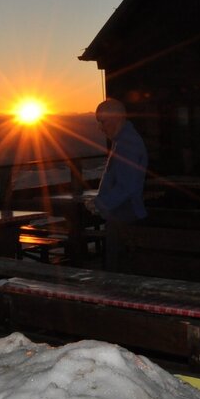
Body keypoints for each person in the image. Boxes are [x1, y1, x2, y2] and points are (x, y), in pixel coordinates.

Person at [85, 98, 148, 271]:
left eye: (103, 121)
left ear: (116, 118)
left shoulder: (128, 144)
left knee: (118, 272)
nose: (101, 127)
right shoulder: (123, 141)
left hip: (124, 215)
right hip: (121, 214)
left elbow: (126, 187)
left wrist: (99, 203)